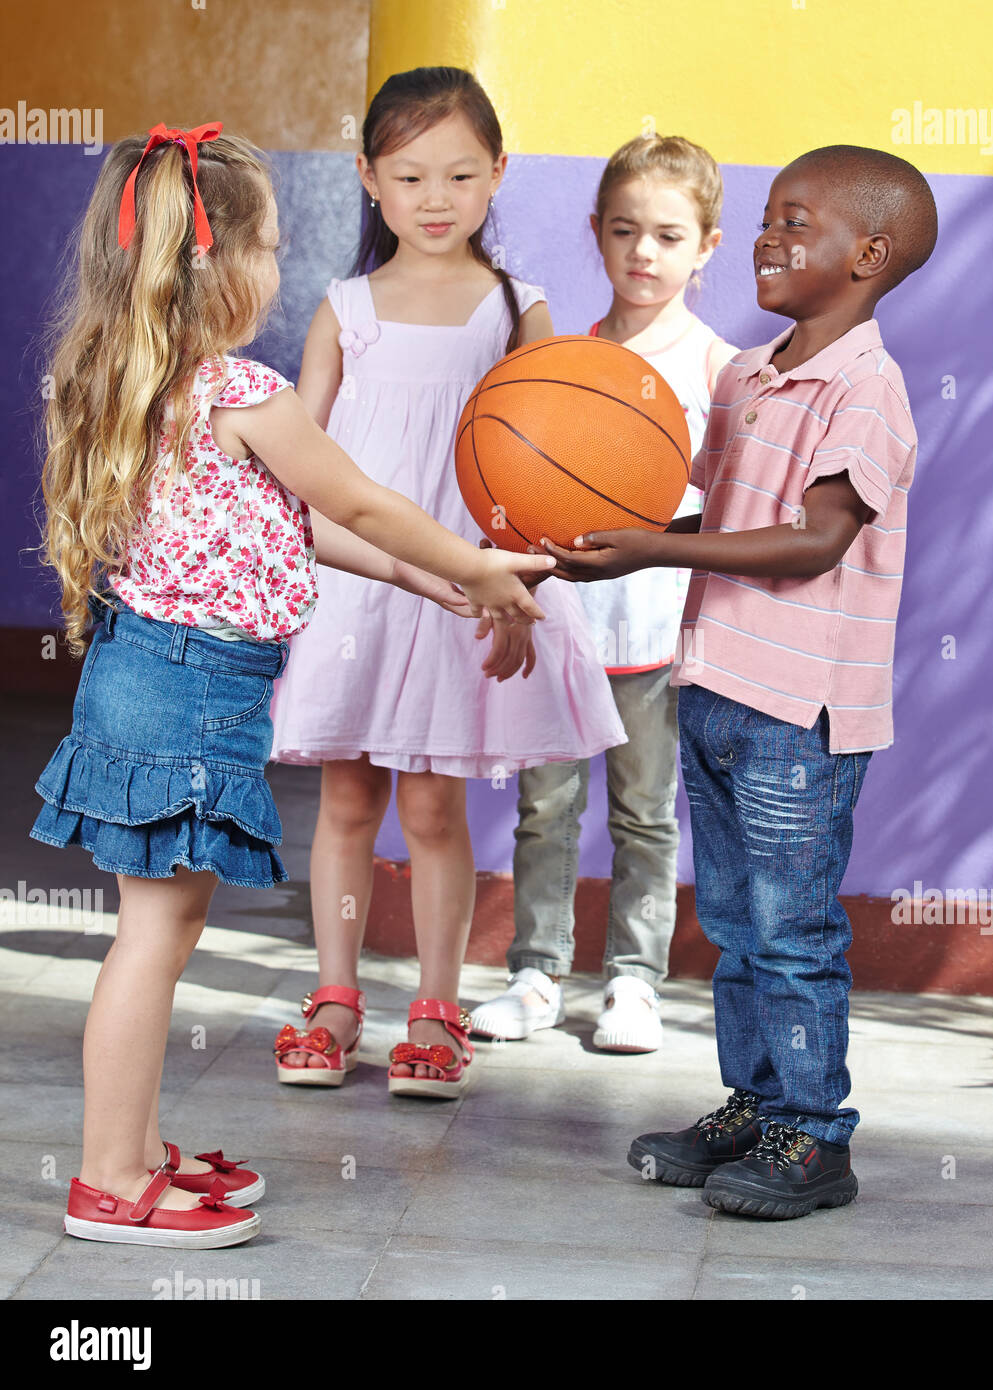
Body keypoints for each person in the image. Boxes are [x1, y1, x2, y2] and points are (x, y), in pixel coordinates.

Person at [29, 121, 554, 1247]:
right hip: (191, 699)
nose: (277, 268)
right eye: (265, 246)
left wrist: (438, 584)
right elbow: (356, 498)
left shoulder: (130, 382)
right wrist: (476, 564)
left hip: (146, 677)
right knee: (152, 943)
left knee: (153, 933)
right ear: (224, 266)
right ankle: (112, 1177)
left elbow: (299, 525)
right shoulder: (244, 394)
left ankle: (135, 1143)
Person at [541, 145, 938, 1218]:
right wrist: (619, 539)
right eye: (766, 217)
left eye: (795, 222)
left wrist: (649, 552)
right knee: (732, 919)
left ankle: (815, 1135)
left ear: (868, 254)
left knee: (793, 928)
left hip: (799, 712)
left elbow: (810, 539)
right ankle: (753, 1106)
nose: (768, 237)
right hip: (714, 685)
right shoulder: (745, 375)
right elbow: (718, 520)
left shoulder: (867, 388)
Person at [268, 68, 627, 1099]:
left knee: (431, 811)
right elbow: (301, 457)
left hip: (466, 591)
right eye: (412, 174)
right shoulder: (344, 308)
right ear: (368, 180)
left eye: (461, 174)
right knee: (342, 804)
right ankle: (335, 996)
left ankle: (434, 1004)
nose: (436, 196)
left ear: (497, 176)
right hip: (356, 587)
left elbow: (557, 469)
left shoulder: (519, 307)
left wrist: (523, 592)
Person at [470, 134, 737, 1053]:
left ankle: (633, 982)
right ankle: (537, 974)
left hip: (662, 637)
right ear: (596, 233)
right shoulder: (561, 365)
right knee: (544, 808)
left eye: (668, 235)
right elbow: (515, 492)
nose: (644, 253)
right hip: (566, 629)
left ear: (706, 245)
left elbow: (742, 516)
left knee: (646, 815)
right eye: (624, 231)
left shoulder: (719, 370)